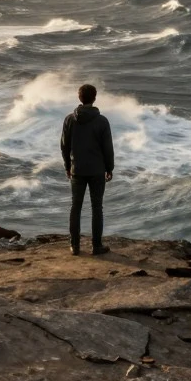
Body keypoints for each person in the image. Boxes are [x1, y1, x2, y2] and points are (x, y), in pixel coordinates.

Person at [60, 83, 116, 255]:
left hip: (77, 170)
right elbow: (108, 147)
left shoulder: (70, 119)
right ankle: (96, 246)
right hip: (97, 170)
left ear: (79, 98)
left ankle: (74, 246)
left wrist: (68, 166)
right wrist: (109, 168)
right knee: (96, 207)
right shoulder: (102, 121)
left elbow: (64, 146)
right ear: (94, 98)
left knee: (75, 207)